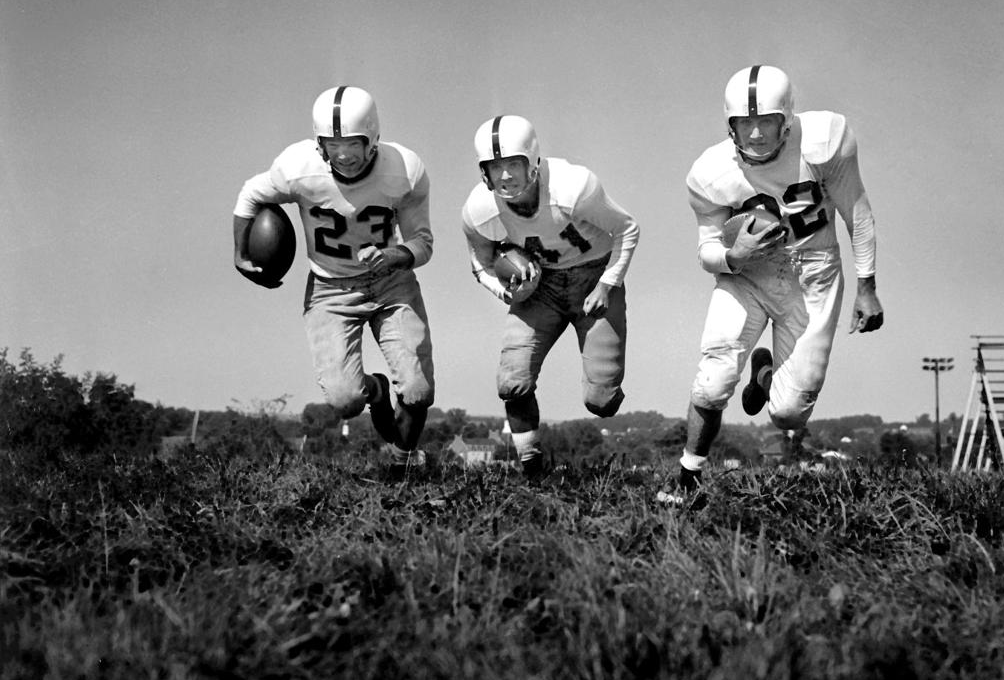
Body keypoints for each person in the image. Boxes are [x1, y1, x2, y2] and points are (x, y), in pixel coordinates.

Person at [664, 64, 883, 503]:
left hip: (813, 272)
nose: (757, 134)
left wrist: (867, 285)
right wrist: (733, 256)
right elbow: (706, 249)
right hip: (748, 275)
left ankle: (764, 372)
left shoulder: (824, 142)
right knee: (713, 379)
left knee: (787, 414)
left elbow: (856, 214)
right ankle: (687, 478)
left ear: (787, 120)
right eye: (745, 123)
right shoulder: (709, 172)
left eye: (766, 121)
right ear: (731, 126)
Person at [233, 85, 435, 478]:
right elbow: (250, 195)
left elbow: (422, 243)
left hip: (391, 282)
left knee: (417, 389)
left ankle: (402, 464)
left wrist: (393, 254)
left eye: (353, 145)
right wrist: (240, 253)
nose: (343, 154)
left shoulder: (403, 170)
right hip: (330, 287)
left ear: (373, 139)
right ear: (318, 143)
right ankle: (375, 390)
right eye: (332, 144)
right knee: (345, 400)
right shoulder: (298, 167)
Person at [462, 114, 639, 481]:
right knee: (512, 382)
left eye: (513, 164)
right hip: (539, 288)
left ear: (534, 163)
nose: (506, 176)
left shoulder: (574, 187)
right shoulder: (479, 210)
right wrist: (507, 290)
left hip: (593, 277)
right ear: (484, 172)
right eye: (495, 168)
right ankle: (532, 467)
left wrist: (608, 282)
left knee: (601, 402)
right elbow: (480, 266)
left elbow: (627, 229)